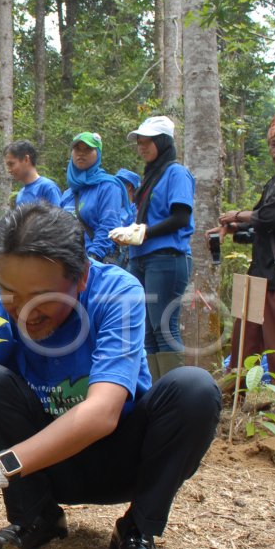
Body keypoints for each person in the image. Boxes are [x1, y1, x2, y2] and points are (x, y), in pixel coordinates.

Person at [0, 203, 221, 549]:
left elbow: (102, 413)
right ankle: (36, 518)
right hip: (41, 470)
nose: (25, 312)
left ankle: (138, 529)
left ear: (82, 278)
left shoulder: (116, 293)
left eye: (42, 297)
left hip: (122, 460)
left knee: (194, 389)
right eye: (10, 293)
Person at [209, 112, 275, 417]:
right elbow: (264, 227)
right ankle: (235, 397)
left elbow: (269, 217)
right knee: (244, 339)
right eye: (273, 143)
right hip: (260, 272)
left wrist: (238, 215)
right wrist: (235, 230)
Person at [111, 115, 196, 379]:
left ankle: (177, 392)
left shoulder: (175, 172)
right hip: (141, 257)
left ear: (162, 142)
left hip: (166, 256)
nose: (142, 147)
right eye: (139, 142)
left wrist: (145, 231)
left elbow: (181, 216)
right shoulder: (150, 177)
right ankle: (157, 391)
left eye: (148, 142)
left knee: (163, 325)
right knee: (145, 328)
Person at [59, 132, 128, 264]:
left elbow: (109, 226)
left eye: (88, 149)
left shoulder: (108, 186)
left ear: (98, 154)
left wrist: (93, 258)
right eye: (77, 149)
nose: (81, 153)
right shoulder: (68, 193)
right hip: (69, 262)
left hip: (95, 263)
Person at [4, 140, 61, 207]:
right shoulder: (20, 194)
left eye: (11, 164)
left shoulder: (48, 188)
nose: (9, 170)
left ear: (26, 159)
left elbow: (59, 216)